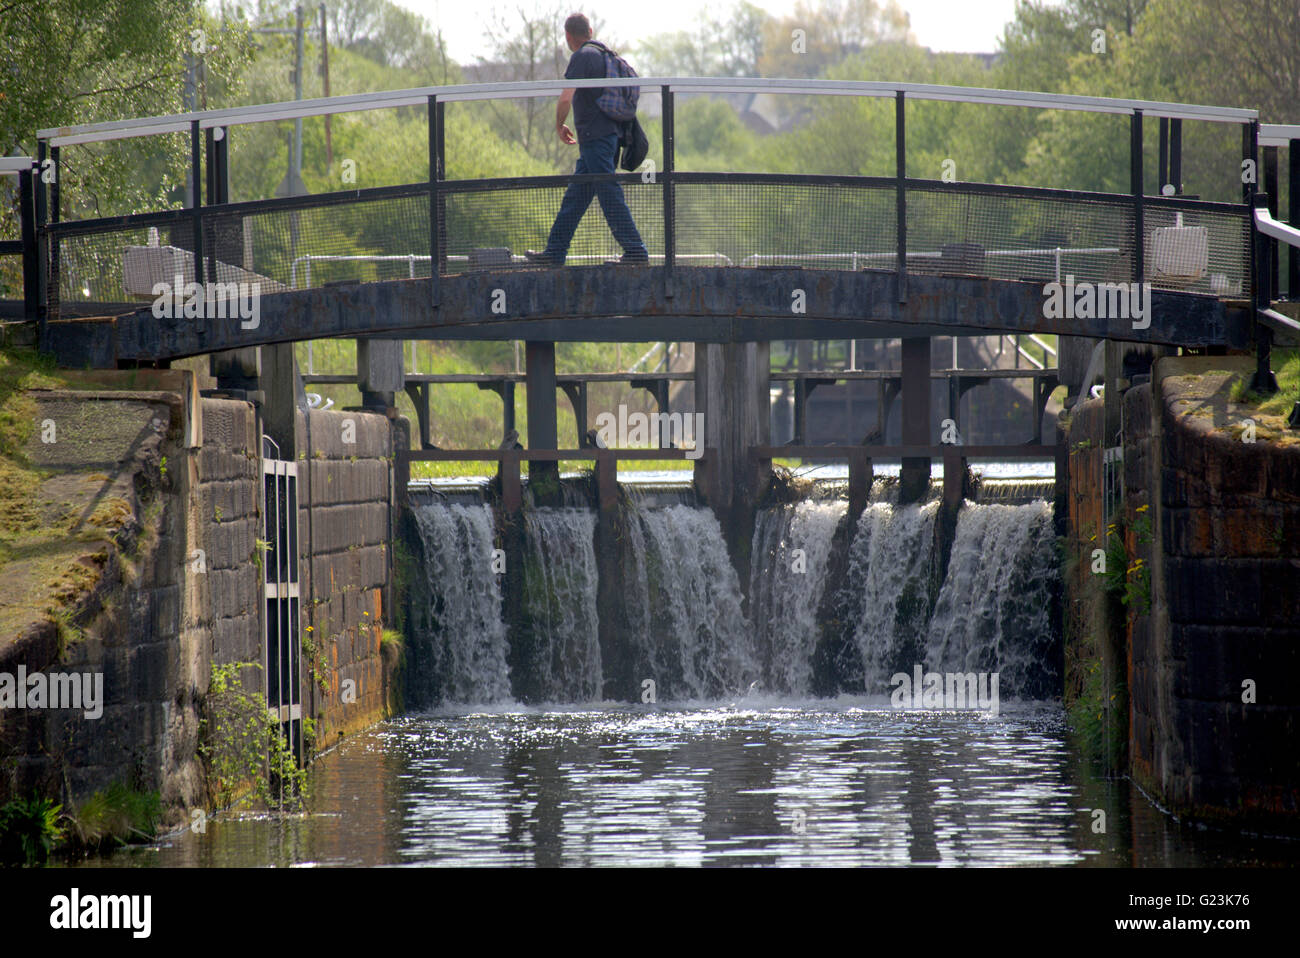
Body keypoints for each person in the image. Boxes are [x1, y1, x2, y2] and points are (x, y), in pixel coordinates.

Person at [526, 13, 648, 266]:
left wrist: (559, 125)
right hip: (610, 137)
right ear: (590, 30)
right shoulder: (606, 55)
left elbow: (565, 97)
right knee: (576, 196)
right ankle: (554, 253)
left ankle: (636, 252)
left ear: (569, 37)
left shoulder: (582, 56)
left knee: (608, 192)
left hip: (596, 138)